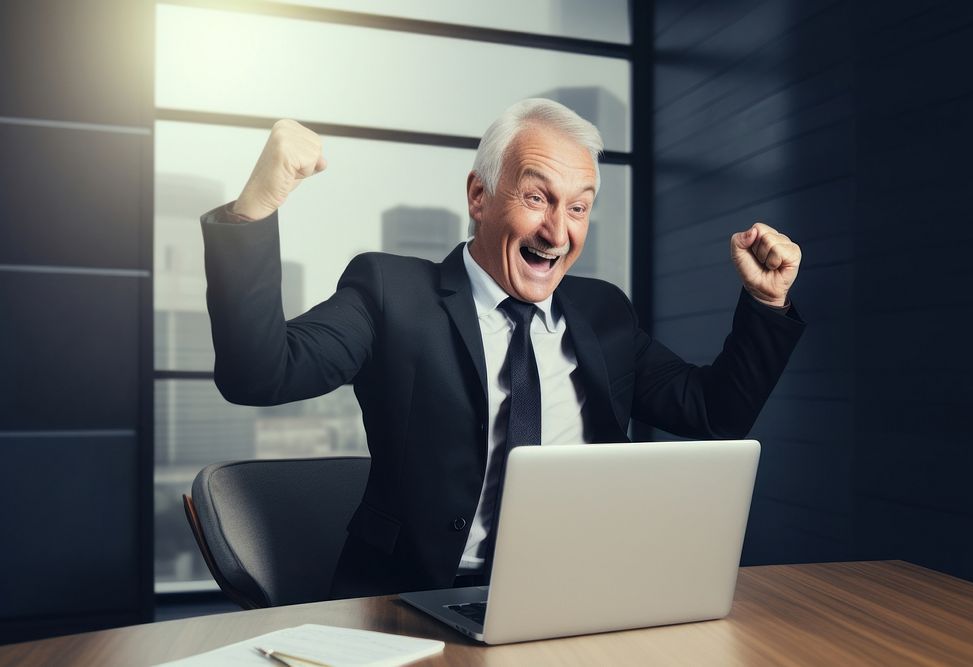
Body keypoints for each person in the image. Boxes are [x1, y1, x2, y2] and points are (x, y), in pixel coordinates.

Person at [200, 99, 805, 599]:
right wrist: (256, 207)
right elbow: (260, 374)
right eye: (537, 198)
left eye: (579, 208)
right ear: (479, 197)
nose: (558, 232)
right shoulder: (391, 293)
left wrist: (766, 304)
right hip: (414, 599)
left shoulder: (603, 312)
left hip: (578, 595)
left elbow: (713, 413)